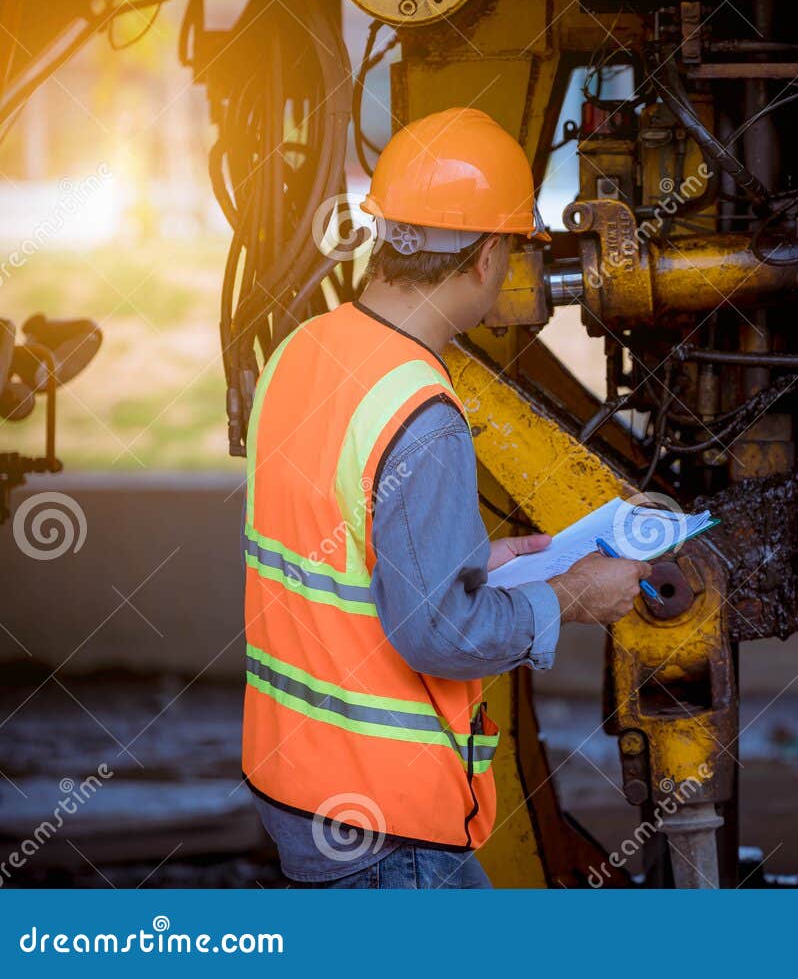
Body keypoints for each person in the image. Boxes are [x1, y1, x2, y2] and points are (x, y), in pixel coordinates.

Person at [241, 107, 649, 888]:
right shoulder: (420, 411)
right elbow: (438, 632)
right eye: (516, 249)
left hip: (298, 778)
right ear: (489, 256)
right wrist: (572, 595)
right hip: (386, 816)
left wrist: (467, 558)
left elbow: (338, 536)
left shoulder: (301, 351)